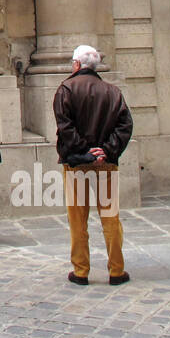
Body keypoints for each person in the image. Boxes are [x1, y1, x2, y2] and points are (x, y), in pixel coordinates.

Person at [54, 44, 133, 286]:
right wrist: (105, 150)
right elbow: (125, 126)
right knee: (110, 217)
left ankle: (81, 271)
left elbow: (65, 127)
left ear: (77, 65)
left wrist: (85, 151)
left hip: (77, 164)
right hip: (105, 163)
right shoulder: (113, 91)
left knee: (78, 219)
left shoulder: (66, 88)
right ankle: (117, 270)